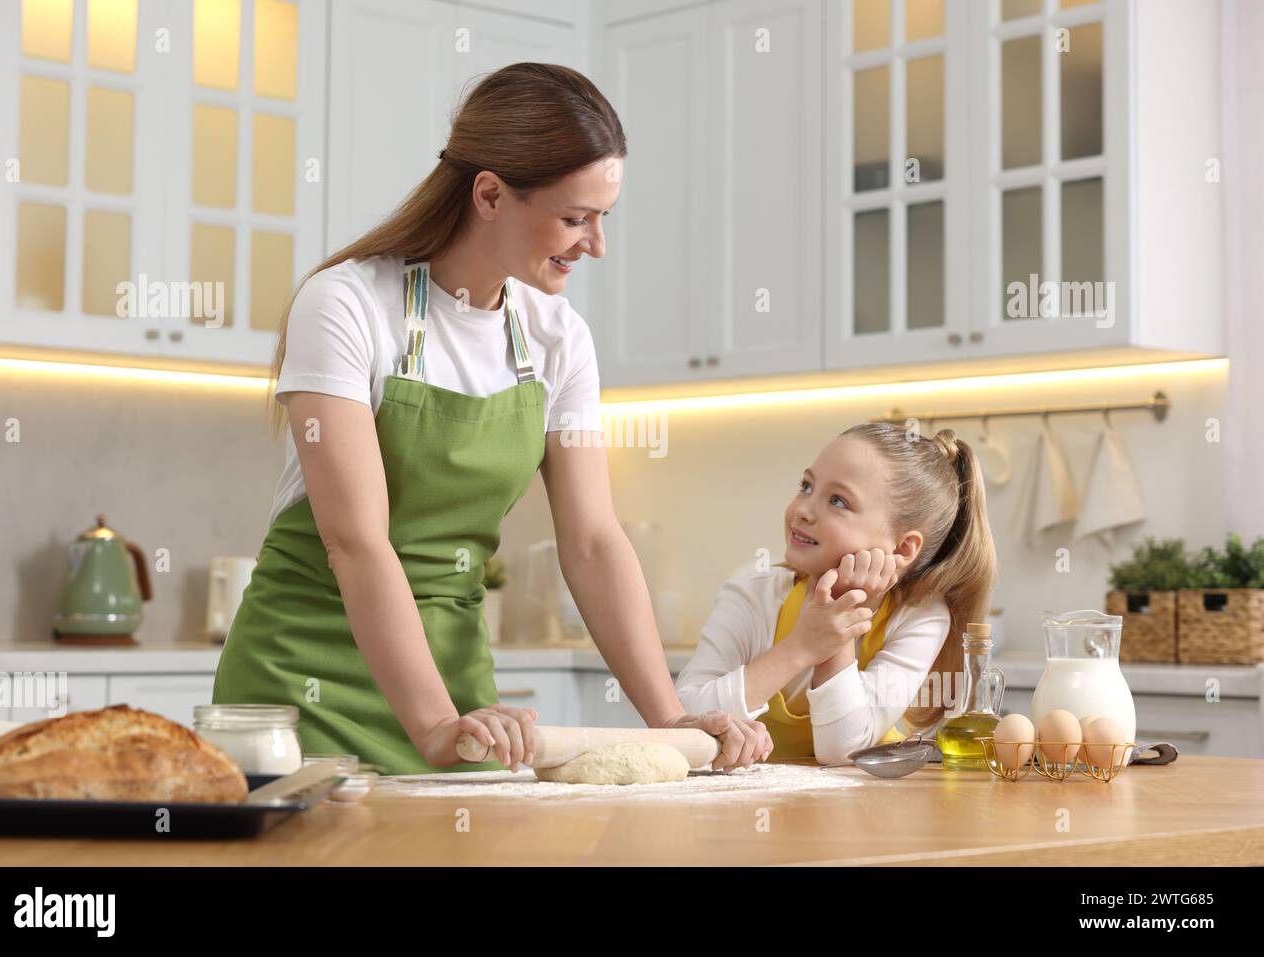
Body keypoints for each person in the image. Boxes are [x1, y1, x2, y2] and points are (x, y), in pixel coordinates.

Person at [212, 63, 770, 775]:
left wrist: (669, 719)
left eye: (604, 218)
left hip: (456, 694)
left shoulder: (557, 338)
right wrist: (434, 723)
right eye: (575, 218)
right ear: (490, 195)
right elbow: (357, 544)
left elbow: (594, 544)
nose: (595, 245)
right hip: (303, 692)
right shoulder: (347, 305)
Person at [675, 424, 997, 764]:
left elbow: (842, 749)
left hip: (859, 811)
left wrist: (840, 619)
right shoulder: (752, 595)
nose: (803, 509)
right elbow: (682, 719)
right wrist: (799, 648)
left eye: (838, 501)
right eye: (806, 486)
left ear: (902, 548)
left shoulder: (919, 618)